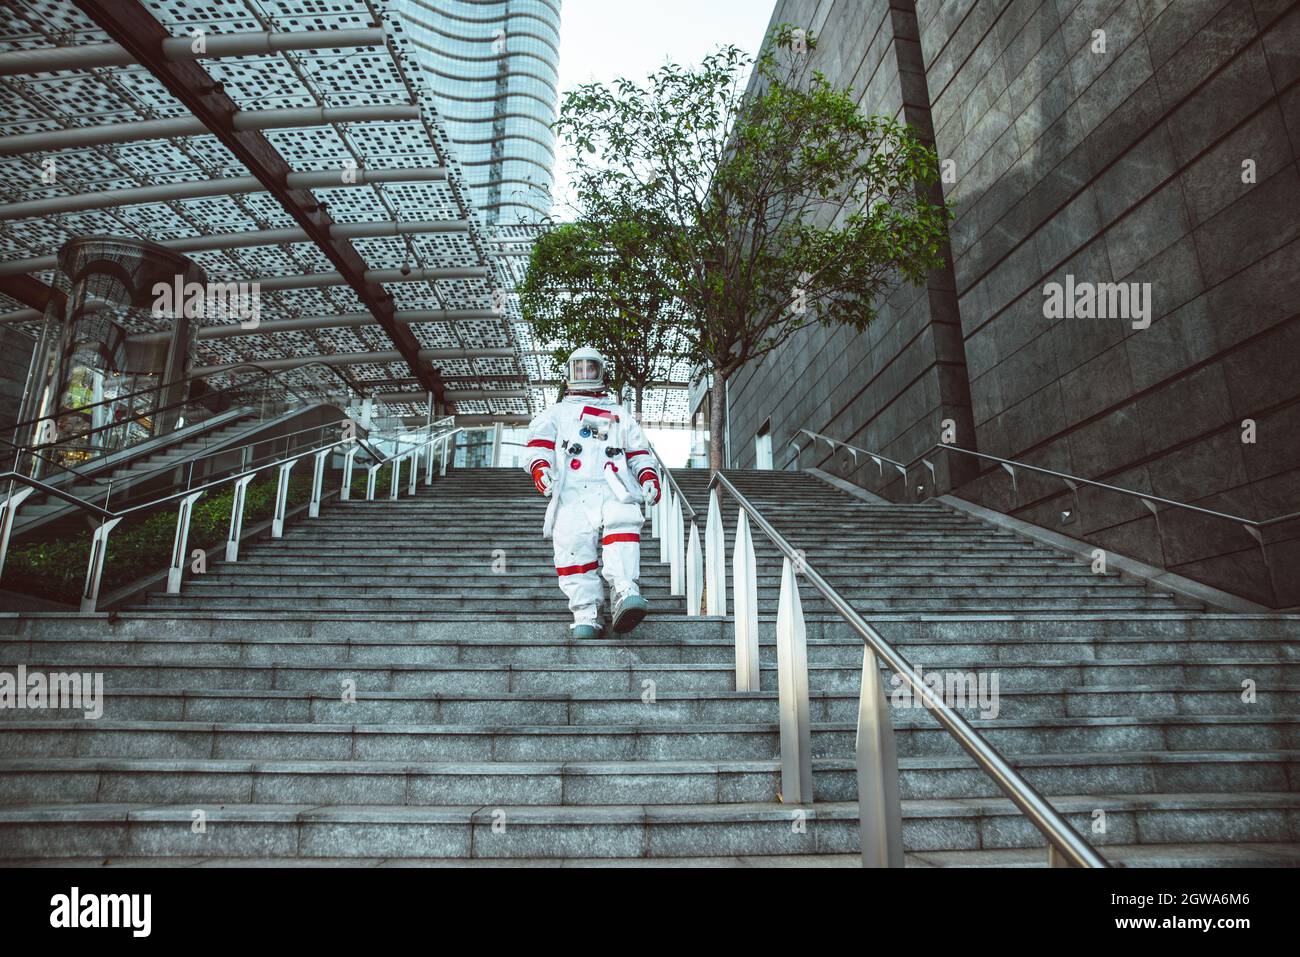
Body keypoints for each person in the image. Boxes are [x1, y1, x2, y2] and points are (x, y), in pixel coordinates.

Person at [523, 347, 662, 639]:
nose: (585, 374)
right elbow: (538, 445)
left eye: (591, 369)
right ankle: (585, 611)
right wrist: (540, 468)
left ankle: (624, 591)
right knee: (573, 546)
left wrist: (648, 476)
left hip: (613, 486)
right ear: (568, 374)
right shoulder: (557, 413)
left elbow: (638, 452)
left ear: (602, 372)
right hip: (572, 490)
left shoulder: (619, 414)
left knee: (623, 527)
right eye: (579, 369)